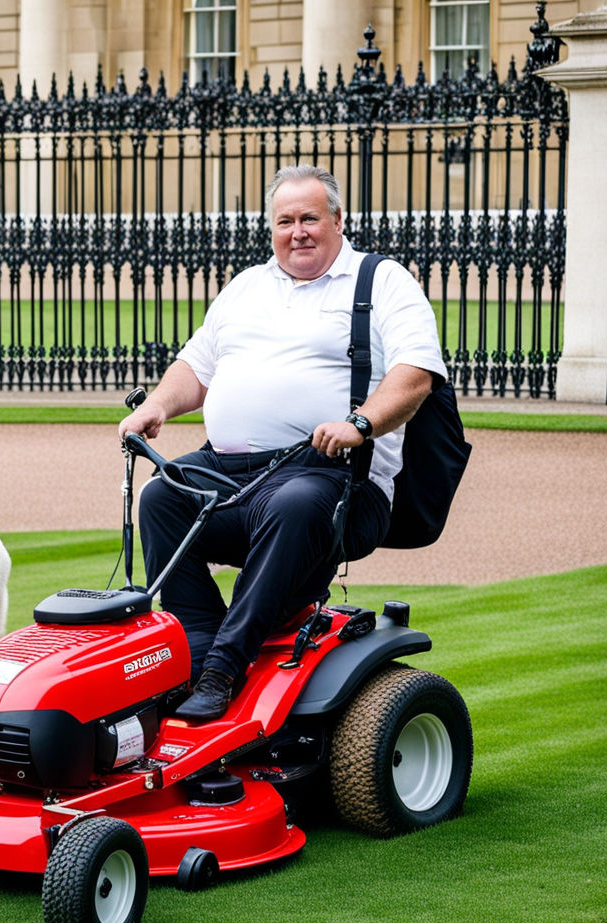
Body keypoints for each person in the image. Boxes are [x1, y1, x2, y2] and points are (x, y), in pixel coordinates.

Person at [117, 164, 447, 721]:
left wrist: (360, 423)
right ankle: (197, 649)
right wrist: (156, 405)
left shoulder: (382, 281)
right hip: (230, 473)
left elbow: (416, 375)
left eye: (310, 218)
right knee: (162, 497)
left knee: (293, 504)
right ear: (270, 228)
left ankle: (224, 669)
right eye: (285, 220)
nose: (298, 231)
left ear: (338, 222)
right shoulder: (248, 286)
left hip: (334, 479)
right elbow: (196, 368)